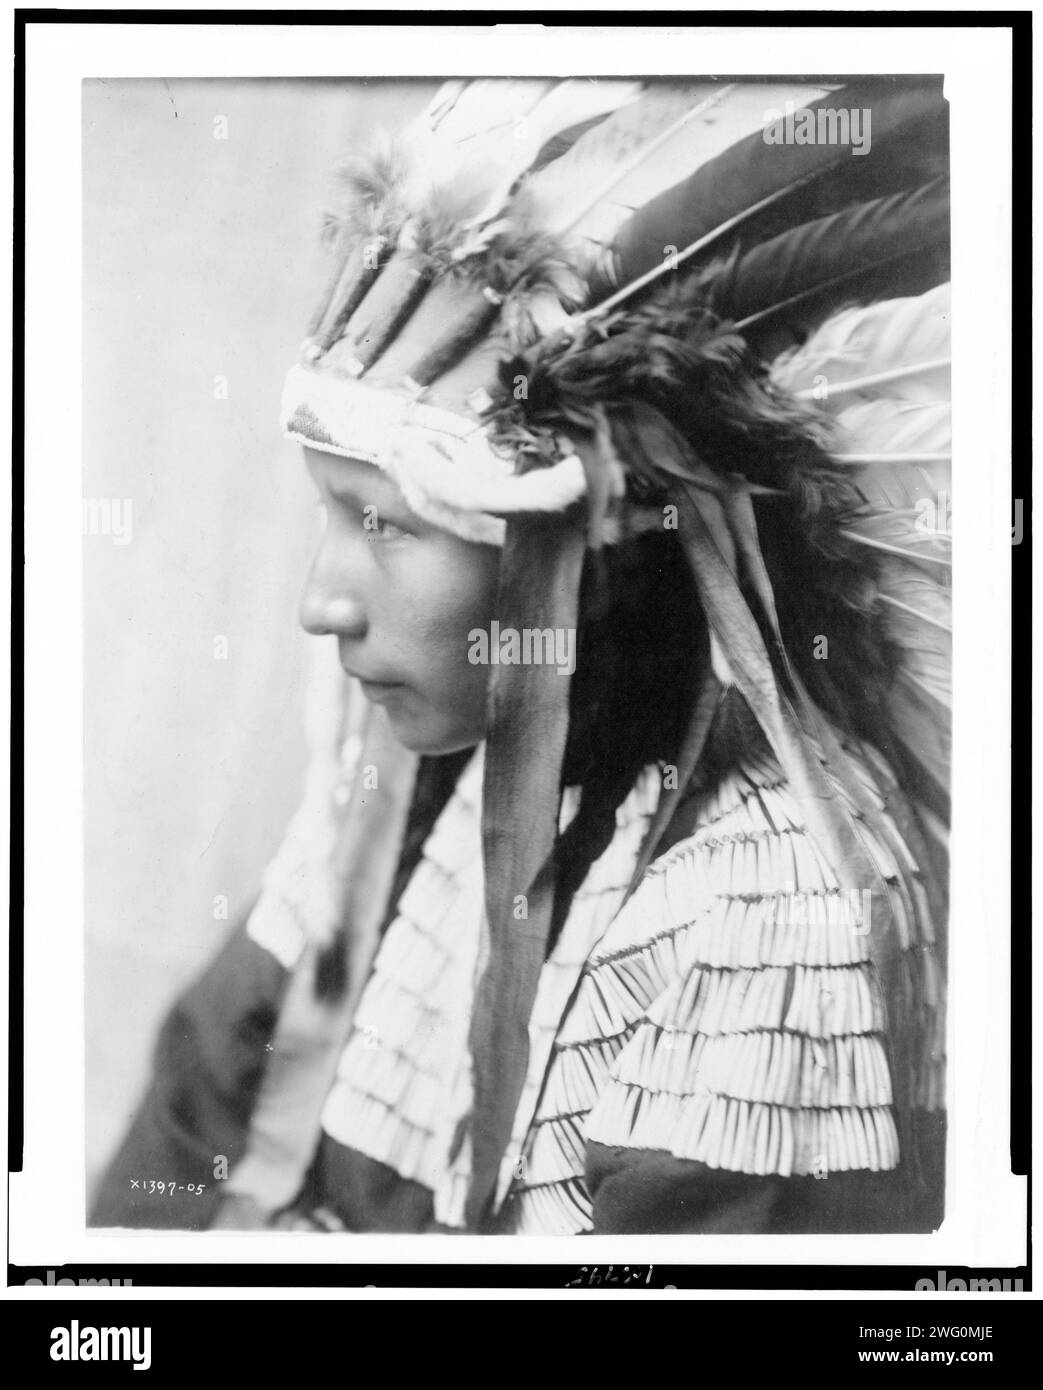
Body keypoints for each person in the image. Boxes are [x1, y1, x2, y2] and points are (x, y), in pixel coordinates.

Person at [91, 76, 950, 1235]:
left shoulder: (775, 910)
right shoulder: (415, 764)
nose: (321, 605)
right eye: (331, 516)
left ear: (587, 563)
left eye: (389, 524)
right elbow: (184, 1137)